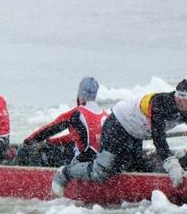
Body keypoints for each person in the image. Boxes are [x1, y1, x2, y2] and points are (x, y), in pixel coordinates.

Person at [52, 79, 187, 197]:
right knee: (101, 172)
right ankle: (65, 172)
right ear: (179, 99)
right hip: (117, 126)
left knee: (138, 167)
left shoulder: (183, 105)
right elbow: (159, 139)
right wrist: (171, 164)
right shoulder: (160, 104)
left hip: (136, 133)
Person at [14, 77, 107, 167]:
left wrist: (28, 142)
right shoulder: (105, 115)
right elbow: (77, 137)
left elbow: (49, 130)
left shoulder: (76, 114)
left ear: (80, 96)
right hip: (100, 163)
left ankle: (20, 171)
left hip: (82, 165)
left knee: (37, 152)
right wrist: (50, 142)